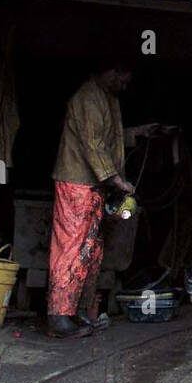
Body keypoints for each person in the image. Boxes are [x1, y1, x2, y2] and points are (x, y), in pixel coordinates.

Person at [47, 61, 156, 339]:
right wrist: (118, 181)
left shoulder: (106, 98)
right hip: (77, 183)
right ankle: (59, 317)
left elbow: (108, 141)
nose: (125, 85)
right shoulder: (88, 98)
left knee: (91, 252)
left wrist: (137, 133)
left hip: (93, 186)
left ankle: (79, 311)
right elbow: (93, 146)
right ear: (112, 69)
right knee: (71, 249)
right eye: (124, 79)